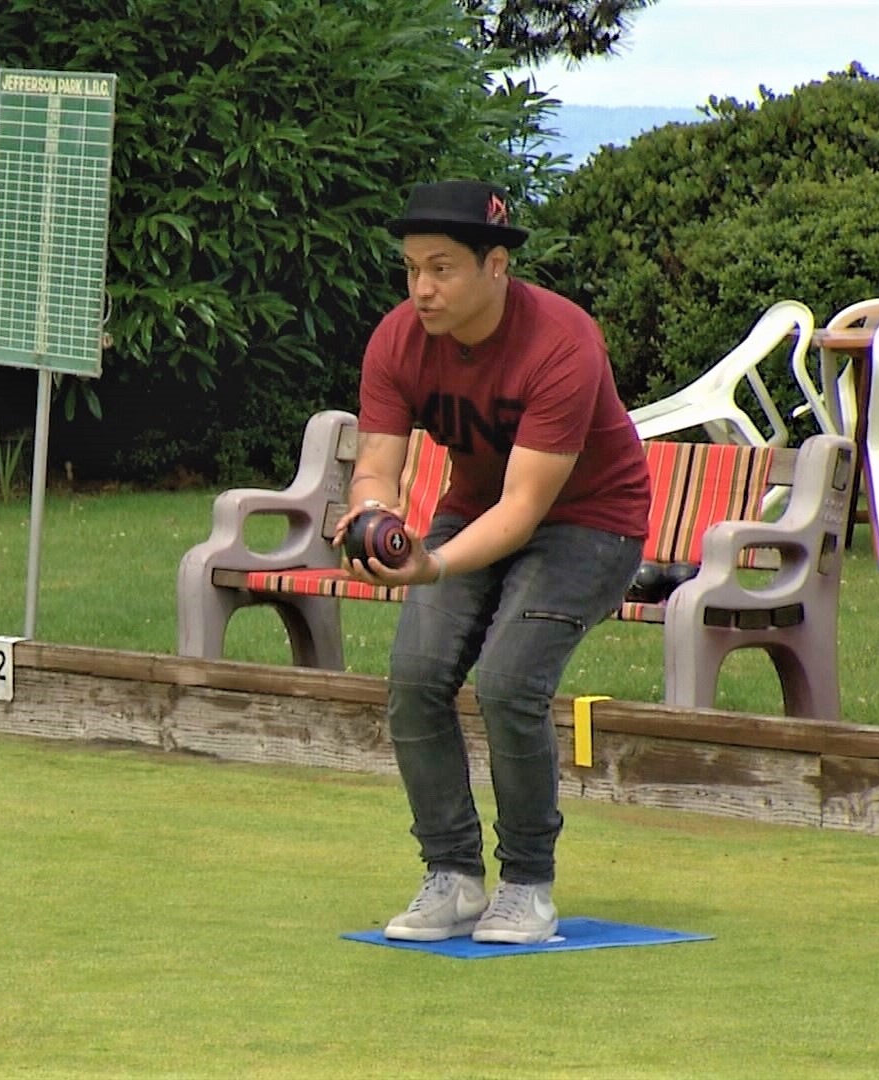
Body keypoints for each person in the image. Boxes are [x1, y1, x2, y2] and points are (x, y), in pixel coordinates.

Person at [333, 180, 650, 944]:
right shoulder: (398, 339)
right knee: (414, 675)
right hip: (474, 512)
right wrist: (370, 515)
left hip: (591, 525)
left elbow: (524, 510)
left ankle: (528, 888)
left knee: (508, 683)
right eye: (411, 269)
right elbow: (377, 462)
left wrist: (432, 567)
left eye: (441, 268)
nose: (422, 290)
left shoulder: (561, 341)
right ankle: (452, 877)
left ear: (498, 265)